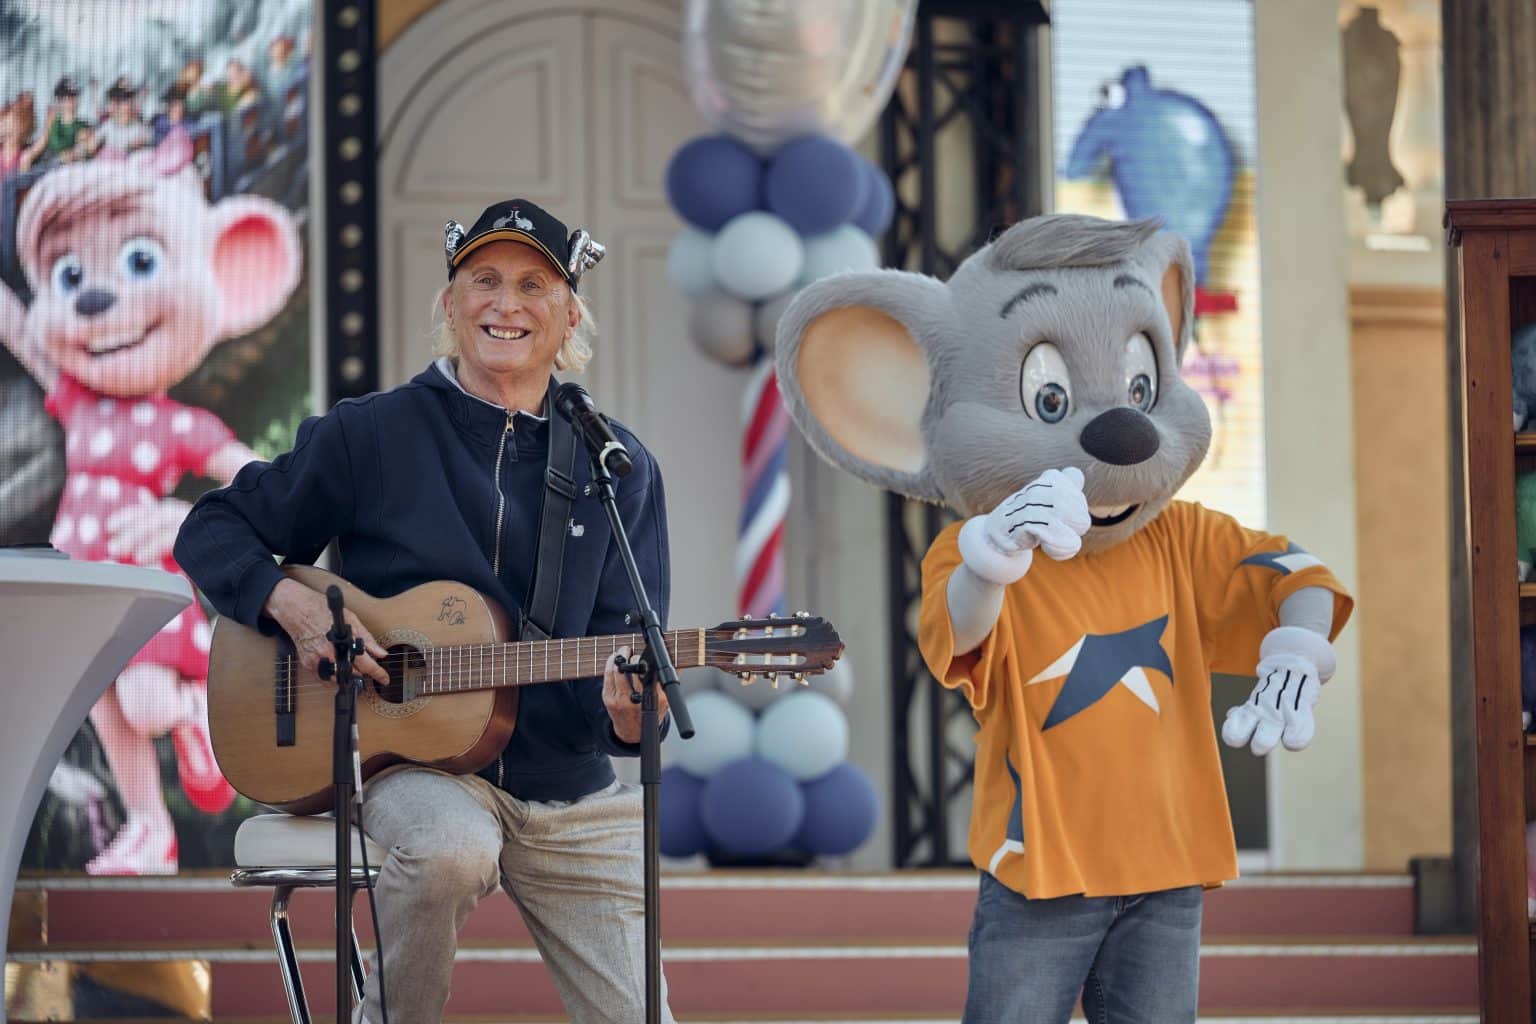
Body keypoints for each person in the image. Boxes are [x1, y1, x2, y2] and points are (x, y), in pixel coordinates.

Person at [174, 199, 676, 1024]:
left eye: (531, 285)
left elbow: (626, 675)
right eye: (483, 280)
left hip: (567, 791)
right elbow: (213, 526)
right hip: (413, 769)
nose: (504, 304)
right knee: (449, 846)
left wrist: (631, 713)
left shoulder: (618, 467)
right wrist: (290, 605)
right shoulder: (373, 434)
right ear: (448, 303)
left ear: (570, 314)